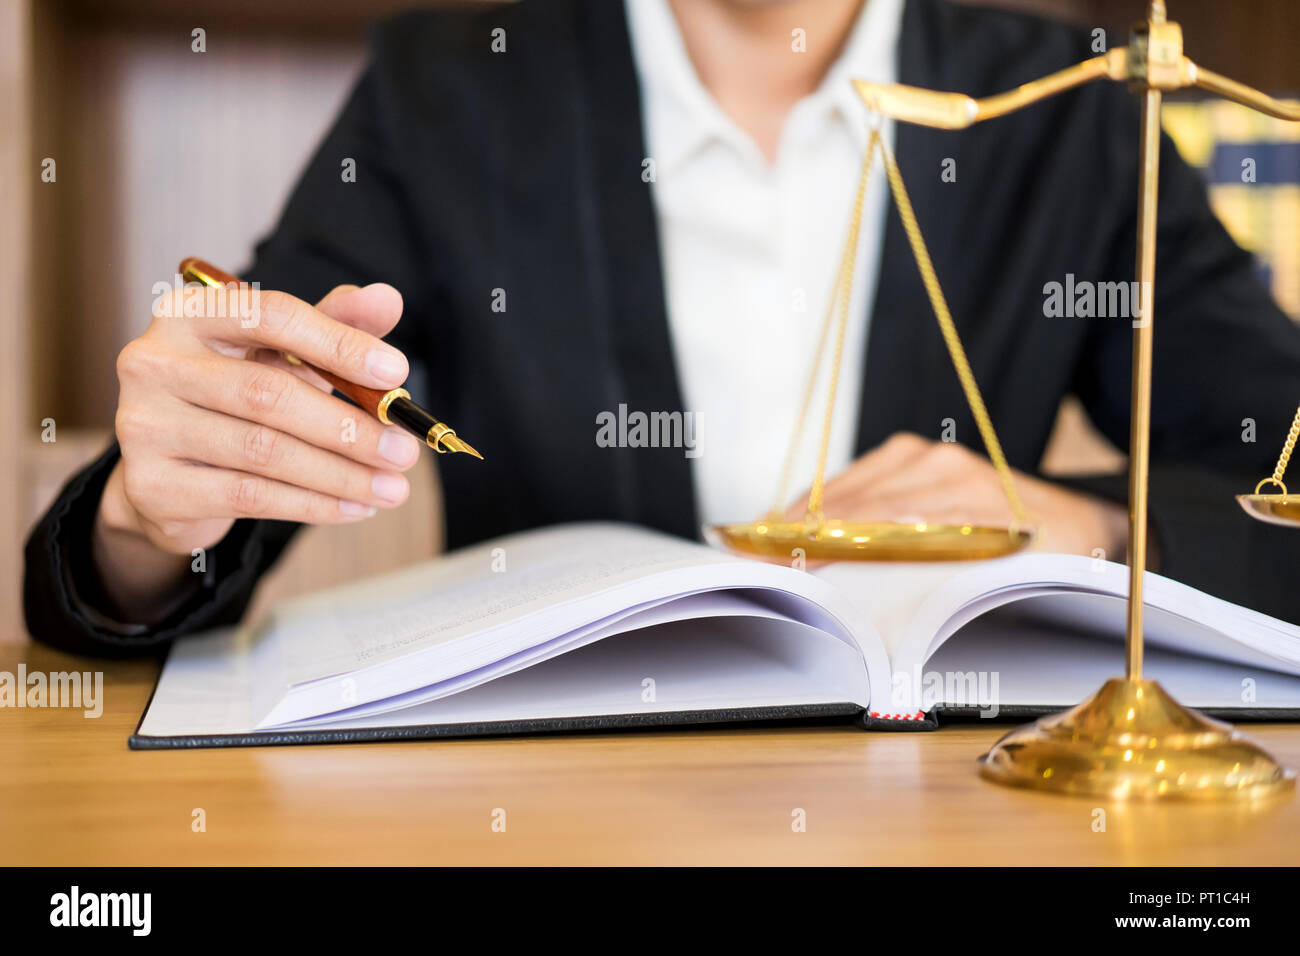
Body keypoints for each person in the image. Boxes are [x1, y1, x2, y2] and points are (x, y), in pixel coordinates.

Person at [24, 0, 1300, 656]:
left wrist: (1083, 527)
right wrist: (146, 520)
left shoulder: (1070, 108)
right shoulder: (450, 92)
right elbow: (245, 439)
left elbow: (1277, 474)